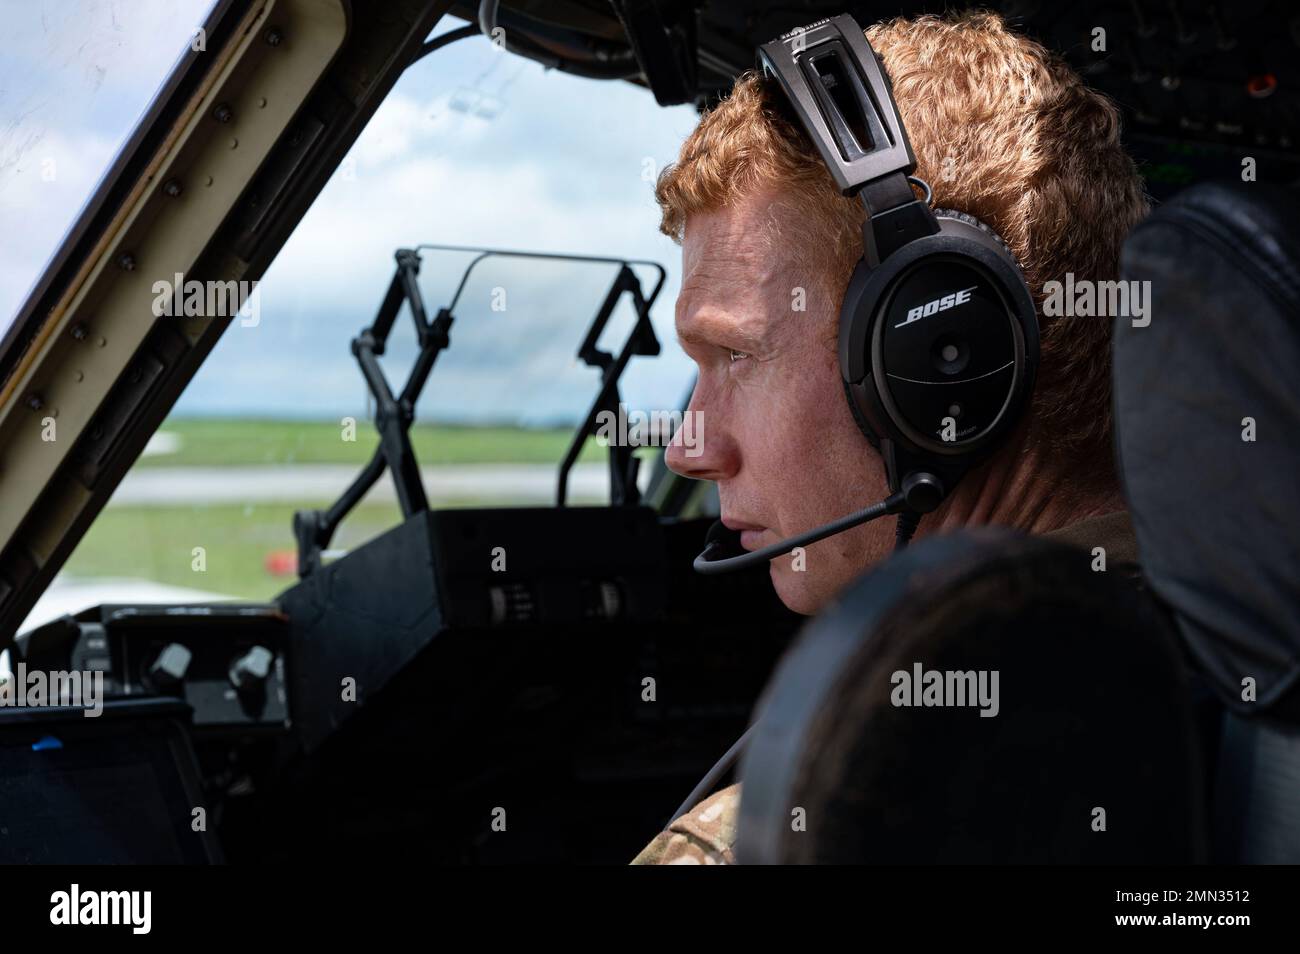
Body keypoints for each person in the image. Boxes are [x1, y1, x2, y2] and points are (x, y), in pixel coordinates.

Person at [633, 10, 1148, 864]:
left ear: (936, 356)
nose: (689, 448)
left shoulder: (796, 832)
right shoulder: (1233, 625)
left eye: (733, 354)